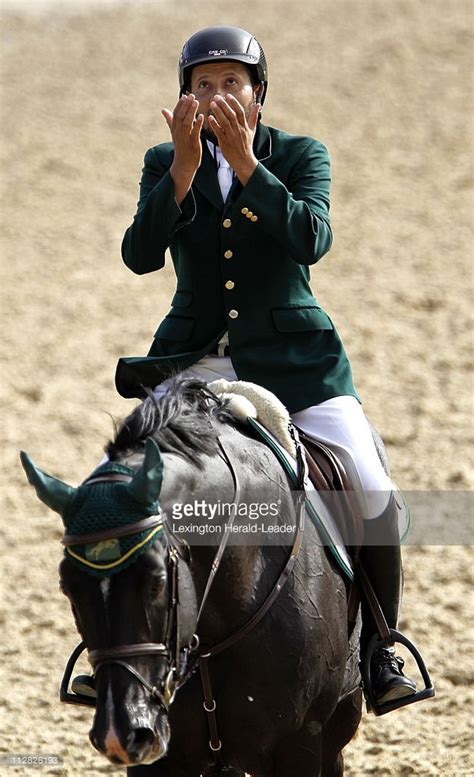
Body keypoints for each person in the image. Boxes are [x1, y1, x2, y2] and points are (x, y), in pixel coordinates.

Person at [115, 25, 419, 707]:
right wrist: (182, 175)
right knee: (130, 485)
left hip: (297, 362)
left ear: (258, 94)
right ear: (184, 97)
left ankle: (382, 647)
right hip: (195, 361)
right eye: (202, 84)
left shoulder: (303, 153)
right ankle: (119, 652)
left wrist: (250, 167)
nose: (216, 94)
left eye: (232, 82)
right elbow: (139, 255)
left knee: (369, 486)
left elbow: (312, 239)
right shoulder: (164, 159)